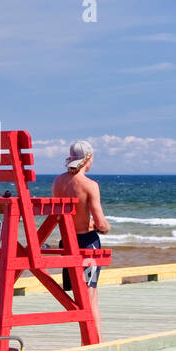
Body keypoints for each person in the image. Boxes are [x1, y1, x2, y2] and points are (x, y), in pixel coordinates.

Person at [52, 140, 110, 327]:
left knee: (79, 296)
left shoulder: (58, 181)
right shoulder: (89, 185)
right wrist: (104, 227)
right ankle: (95, 343)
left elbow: (61, 216)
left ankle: (89, 341)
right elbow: (101, 223)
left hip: (67, 243)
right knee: (90, 296)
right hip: (86, 244)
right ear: (88, 159)